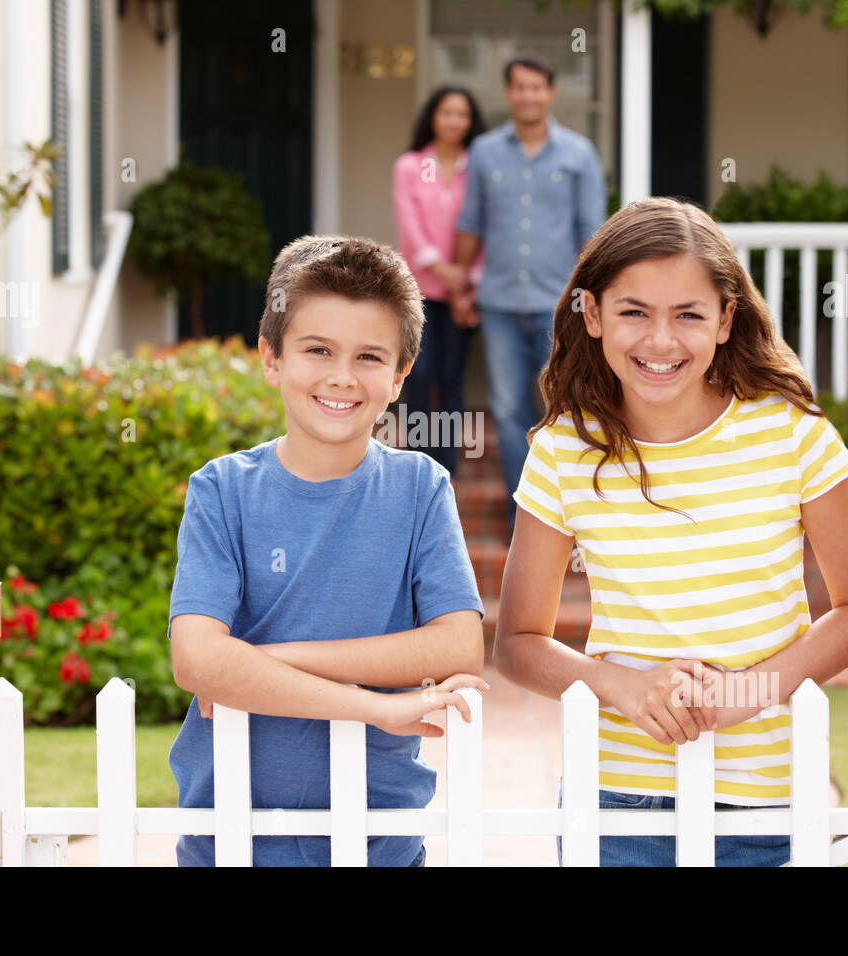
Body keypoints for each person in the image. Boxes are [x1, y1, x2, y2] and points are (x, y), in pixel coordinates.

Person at [492, 197, 848, 867]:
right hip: (618, 804)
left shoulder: (791, 432)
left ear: (726, 318)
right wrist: (621, 686)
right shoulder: (564, 450)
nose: (660, 341)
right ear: (591, 314)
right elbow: (518, 642)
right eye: (634, 312)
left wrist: (751, 690)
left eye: (688, 315)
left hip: (767, 803)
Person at [167, 235, 488, 867]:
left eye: (370, 357)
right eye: (318, 350)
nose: (342, 377)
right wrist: (373, 706)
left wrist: (260, 663)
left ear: (398, 378)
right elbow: (196, 659)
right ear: (271, 358)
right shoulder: (221, 491)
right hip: (233, 839)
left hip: (378, 843)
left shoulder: (421, 490)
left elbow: (458, 645)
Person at [453, 51, 605, 529]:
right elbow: (471, 222)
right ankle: (524, 513)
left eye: (537, 87)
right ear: (509, 93)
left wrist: (592, 297)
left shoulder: (579, 153)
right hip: (498, 300)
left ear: (551, 92)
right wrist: (459, 285)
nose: (528, 95)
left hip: (558, 305)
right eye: (519, 87)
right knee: (507, 407)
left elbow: (592, 232)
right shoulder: (484, 152)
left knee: (563, 405)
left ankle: (570, 510)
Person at [391, 85, 487, 476]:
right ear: (433, 116)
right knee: (420, 372)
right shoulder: (411, 166)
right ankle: (417, 464)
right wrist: (445, 271)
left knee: (451, 378)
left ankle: (445, 467)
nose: (454, 121)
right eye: (447, 112)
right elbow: (410, 229)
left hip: (464, 293)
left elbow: (485, 225)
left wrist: (468, 278)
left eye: (462, 114)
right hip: (418, 292)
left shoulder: (477, 168)